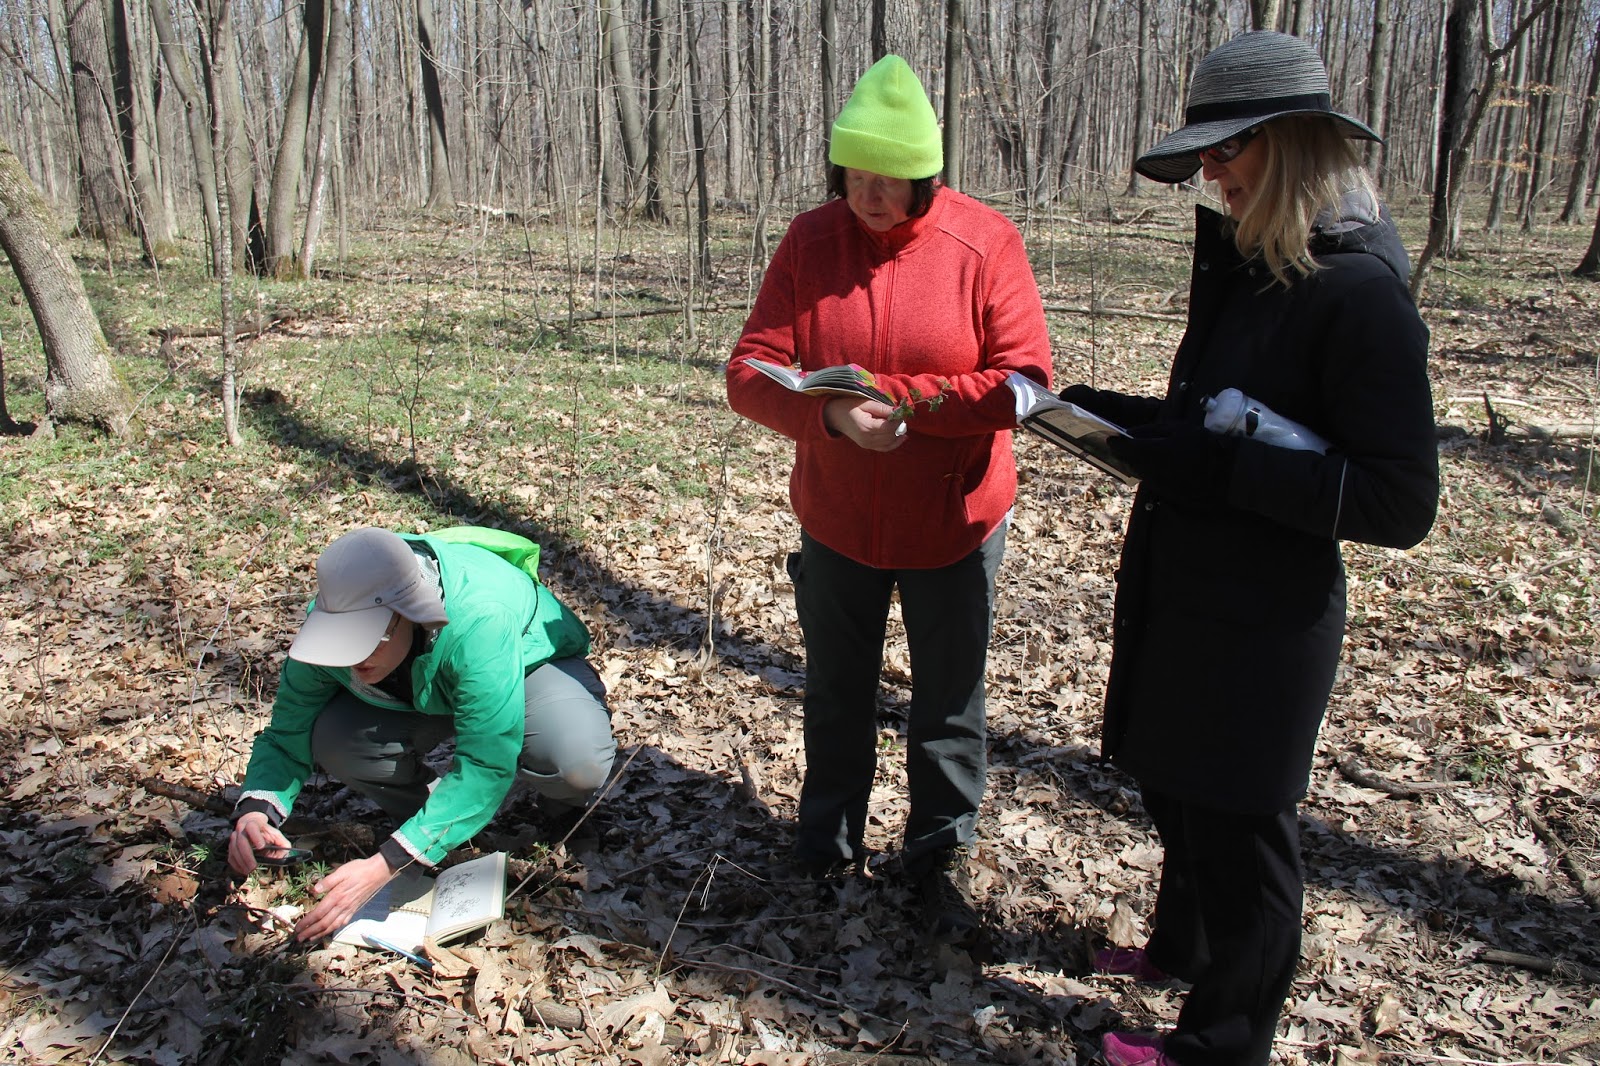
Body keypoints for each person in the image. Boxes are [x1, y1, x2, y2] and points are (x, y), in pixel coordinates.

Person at [1058, 32, 1439, 1066]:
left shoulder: (1358, 294)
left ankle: (1220, 1043)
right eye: (1205, 155)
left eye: (1228, 151)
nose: (1211, 174)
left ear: (1292, 143)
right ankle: (1179, 950)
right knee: (1177, 787)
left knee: (1241, 831)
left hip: (1267, 618)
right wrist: (1095, 414)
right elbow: (1211, 421)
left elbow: (1400, 500)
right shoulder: (1256, 269)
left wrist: (1227, 467)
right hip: (1190, 588)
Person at [725, 55, 1052, 946]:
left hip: (954, 519)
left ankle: (939, 857)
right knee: (837, 690)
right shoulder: (810, 242)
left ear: (926, 175)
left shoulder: (985, 244)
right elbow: (749, 372)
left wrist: (907, 401)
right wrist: (832, 414)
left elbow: (1025, 382)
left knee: (948, 698)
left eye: (890, 179)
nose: (869, 197)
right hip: (837, 518)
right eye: (855, 176)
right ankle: (826, 846)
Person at [227, 526, 617, 943]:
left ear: (411, 613)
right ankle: (432, 822)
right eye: (345, 643)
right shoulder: (333, 617)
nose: (356, 656)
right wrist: (256, 810)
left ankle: (561, 809)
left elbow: (486, 759)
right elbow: (288, 731)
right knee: (335, 738)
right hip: (424, 687)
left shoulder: (480, 619)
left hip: (523, 664)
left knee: (577, 760)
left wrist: (387, 863)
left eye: (371, 640)